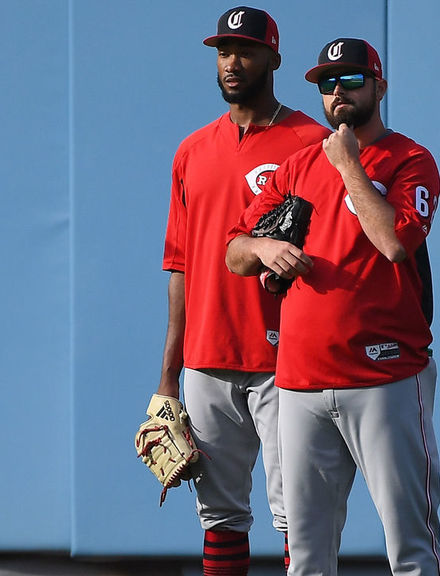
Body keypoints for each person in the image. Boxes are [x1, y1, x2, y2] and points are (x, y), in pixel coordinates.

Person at [225, 38, 440, 574]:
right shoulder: (297, 166)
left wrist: (348, 166)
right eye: (327, 83)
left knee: (413, 548)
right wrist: (265, 247)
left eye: (350, 80)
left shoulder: (410, 159)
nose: (337, 91)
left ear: (379, 87)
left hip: (383, 376)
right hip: (300, 383)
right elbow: (234, 251)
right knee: (306, 558)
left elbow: (394, 242)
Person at [155, 6, 329, 575]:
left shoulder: (312, 141)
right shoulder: (191, 150)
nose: (232, 62)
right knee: (220, 518)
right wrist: (168, 376)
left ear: (273, 59)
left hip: (287, 359)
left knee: (294, 518)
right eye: (224, 52)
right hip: (207, 358)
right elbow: (179, 267)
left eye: (246, 51)